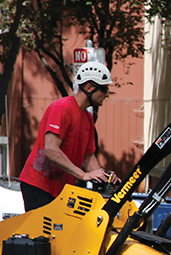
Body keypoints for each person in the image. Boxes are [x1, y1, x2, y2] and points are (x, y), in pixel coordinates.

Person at [18, 60, 117, 211]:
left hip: (62, 189)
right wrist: (83, 175)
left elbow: (88, 156)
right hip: (39, 185)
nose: (107, 94)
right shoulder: (62, 108)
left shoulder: (88, 118)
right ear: (89, 87)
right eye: (104, 89)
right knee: (41, 234)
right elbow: (51, 149)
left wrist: (102, 178)